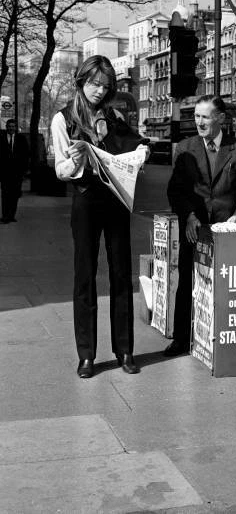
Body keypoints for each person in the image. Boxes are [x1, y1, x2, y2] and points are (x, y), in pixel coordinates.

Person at [50, 55, 148, 379]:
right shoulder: (62, 120)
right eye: (94, 84)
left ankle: (124, 350)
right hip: (85, 200)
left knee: (122, 275)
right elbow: (61, 170)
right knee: (84, 276)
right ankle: (87, 355)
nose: (99, 91)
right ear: (81, 81)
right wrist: (78, 160)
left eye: (105, 86)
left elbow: (134, 147)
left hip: (117, 201)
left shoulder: (114, 116)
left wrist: (141, 154)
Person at [164, 95, 236, 356]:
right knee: (187, 281)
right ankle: (181, 339)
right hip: (194, 229)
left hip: (225, 230)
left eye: (205, 117)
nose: (199, 122)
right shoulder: (185, 147)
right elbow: (175, 191)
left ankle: (219, 341)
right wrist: (190, 216)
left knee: (223, 284)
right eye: (197, 116)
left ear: (220, 118)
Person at [0, 118, 29, 223]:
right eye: (9, 126)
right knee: (5, 194)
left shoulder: (21, 139)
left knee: (15, 194)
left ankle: (11, 215)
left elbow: (26, 155)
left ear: (16, 128)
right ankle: (5, 216)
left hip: (17, 173)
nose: (11, 128)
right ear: (6, 127)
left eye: (13, 127)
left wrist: (25, 171)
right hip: (4, 173)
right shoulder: (1, 138)